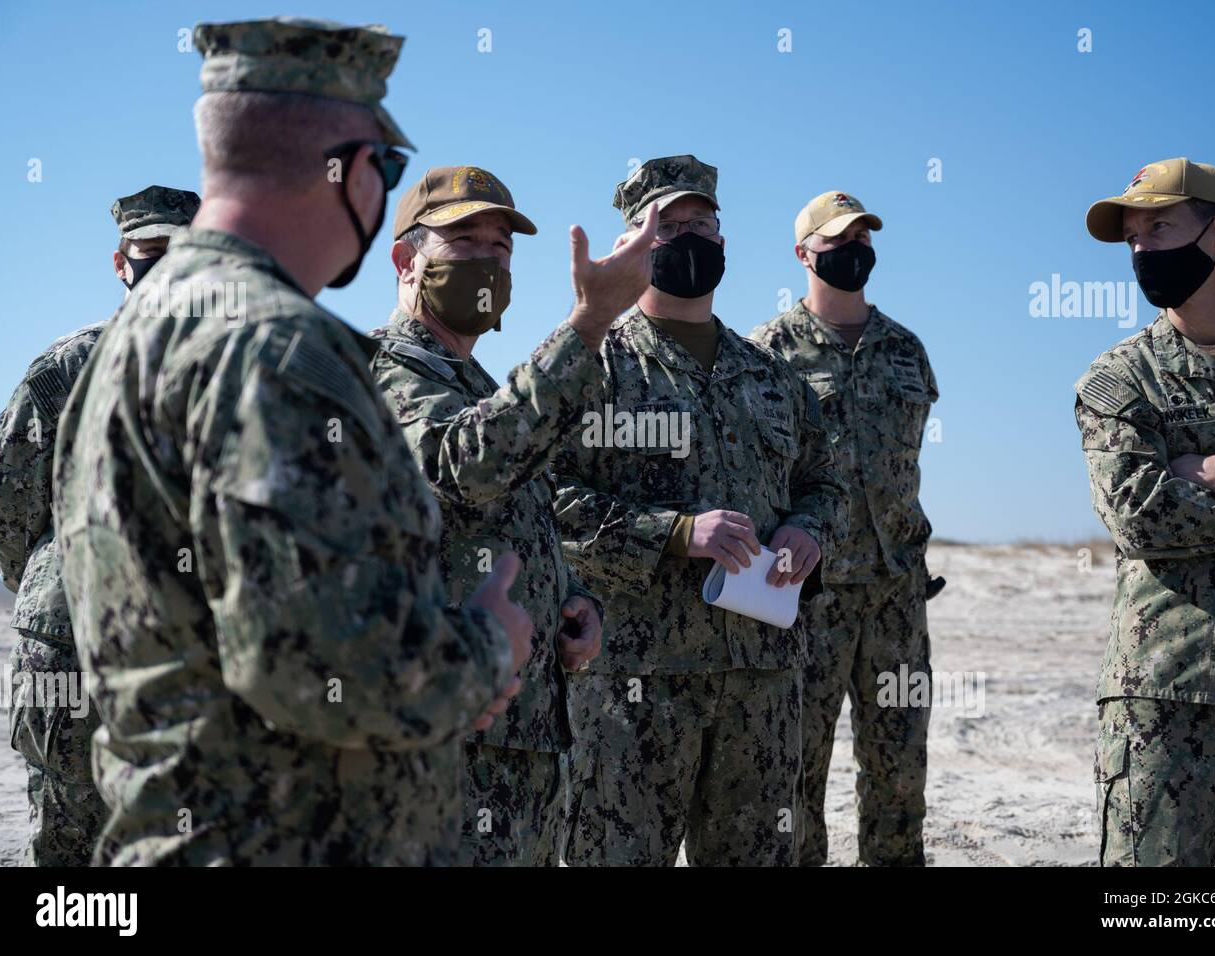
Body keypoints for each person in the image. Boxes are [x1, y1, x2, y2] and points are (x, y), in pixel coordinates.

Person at [52, 17, 530, 866]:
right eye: (387, 167)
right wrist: (488, 648)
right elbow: (320, 669)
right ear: (345, 170)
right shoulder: (277, 350)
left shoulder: (137, 337)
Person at [553, 155, 850, 866]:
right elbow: (548, 499)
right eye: (668, 225)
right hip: (633, 682)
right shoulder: (596, 366)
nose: (688, 236)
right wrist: (676, 533)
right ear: (636, 245)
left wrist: (808, 530)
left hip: (763, 681)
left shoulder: (773, 379)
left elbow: (825, 482)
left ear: (723, 244)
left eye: (702, 225)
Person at [369, 164, 657, 864]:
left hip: (525, 749)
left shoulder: (477, 387)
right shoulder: (384, 374)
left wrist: (571, 600)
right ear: (407, 261)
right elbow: (468, 471)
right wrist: (589, 322)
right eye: (463, 240)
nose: (487, 259)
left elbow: (505, 531)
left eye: (501, 247)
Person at [1076, 157, 1215, 866]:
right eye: (1132, 238)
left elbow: (1177, 503)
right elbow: (1139, 516)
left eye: (1160, 228)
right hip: (1168, 699)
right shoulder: (1117, 379)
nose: (1143, 251)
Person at [0, 184, 198, 865]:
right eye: (151, 252)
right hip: (73, 655)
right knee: (76, 846)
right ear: (121, 263)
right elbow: (9, 506)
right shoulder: (65, 370)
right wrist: (61, 589)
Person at [749, 190, 938, 866]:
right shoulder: (766, 353)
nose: (854, 250)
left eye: (862, 237)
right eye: (837, 241)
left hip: (896, 599)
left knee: (899, 772)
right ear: (804, 254)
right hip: (806, 598)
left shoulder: (905, 351)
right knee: (795, 775)